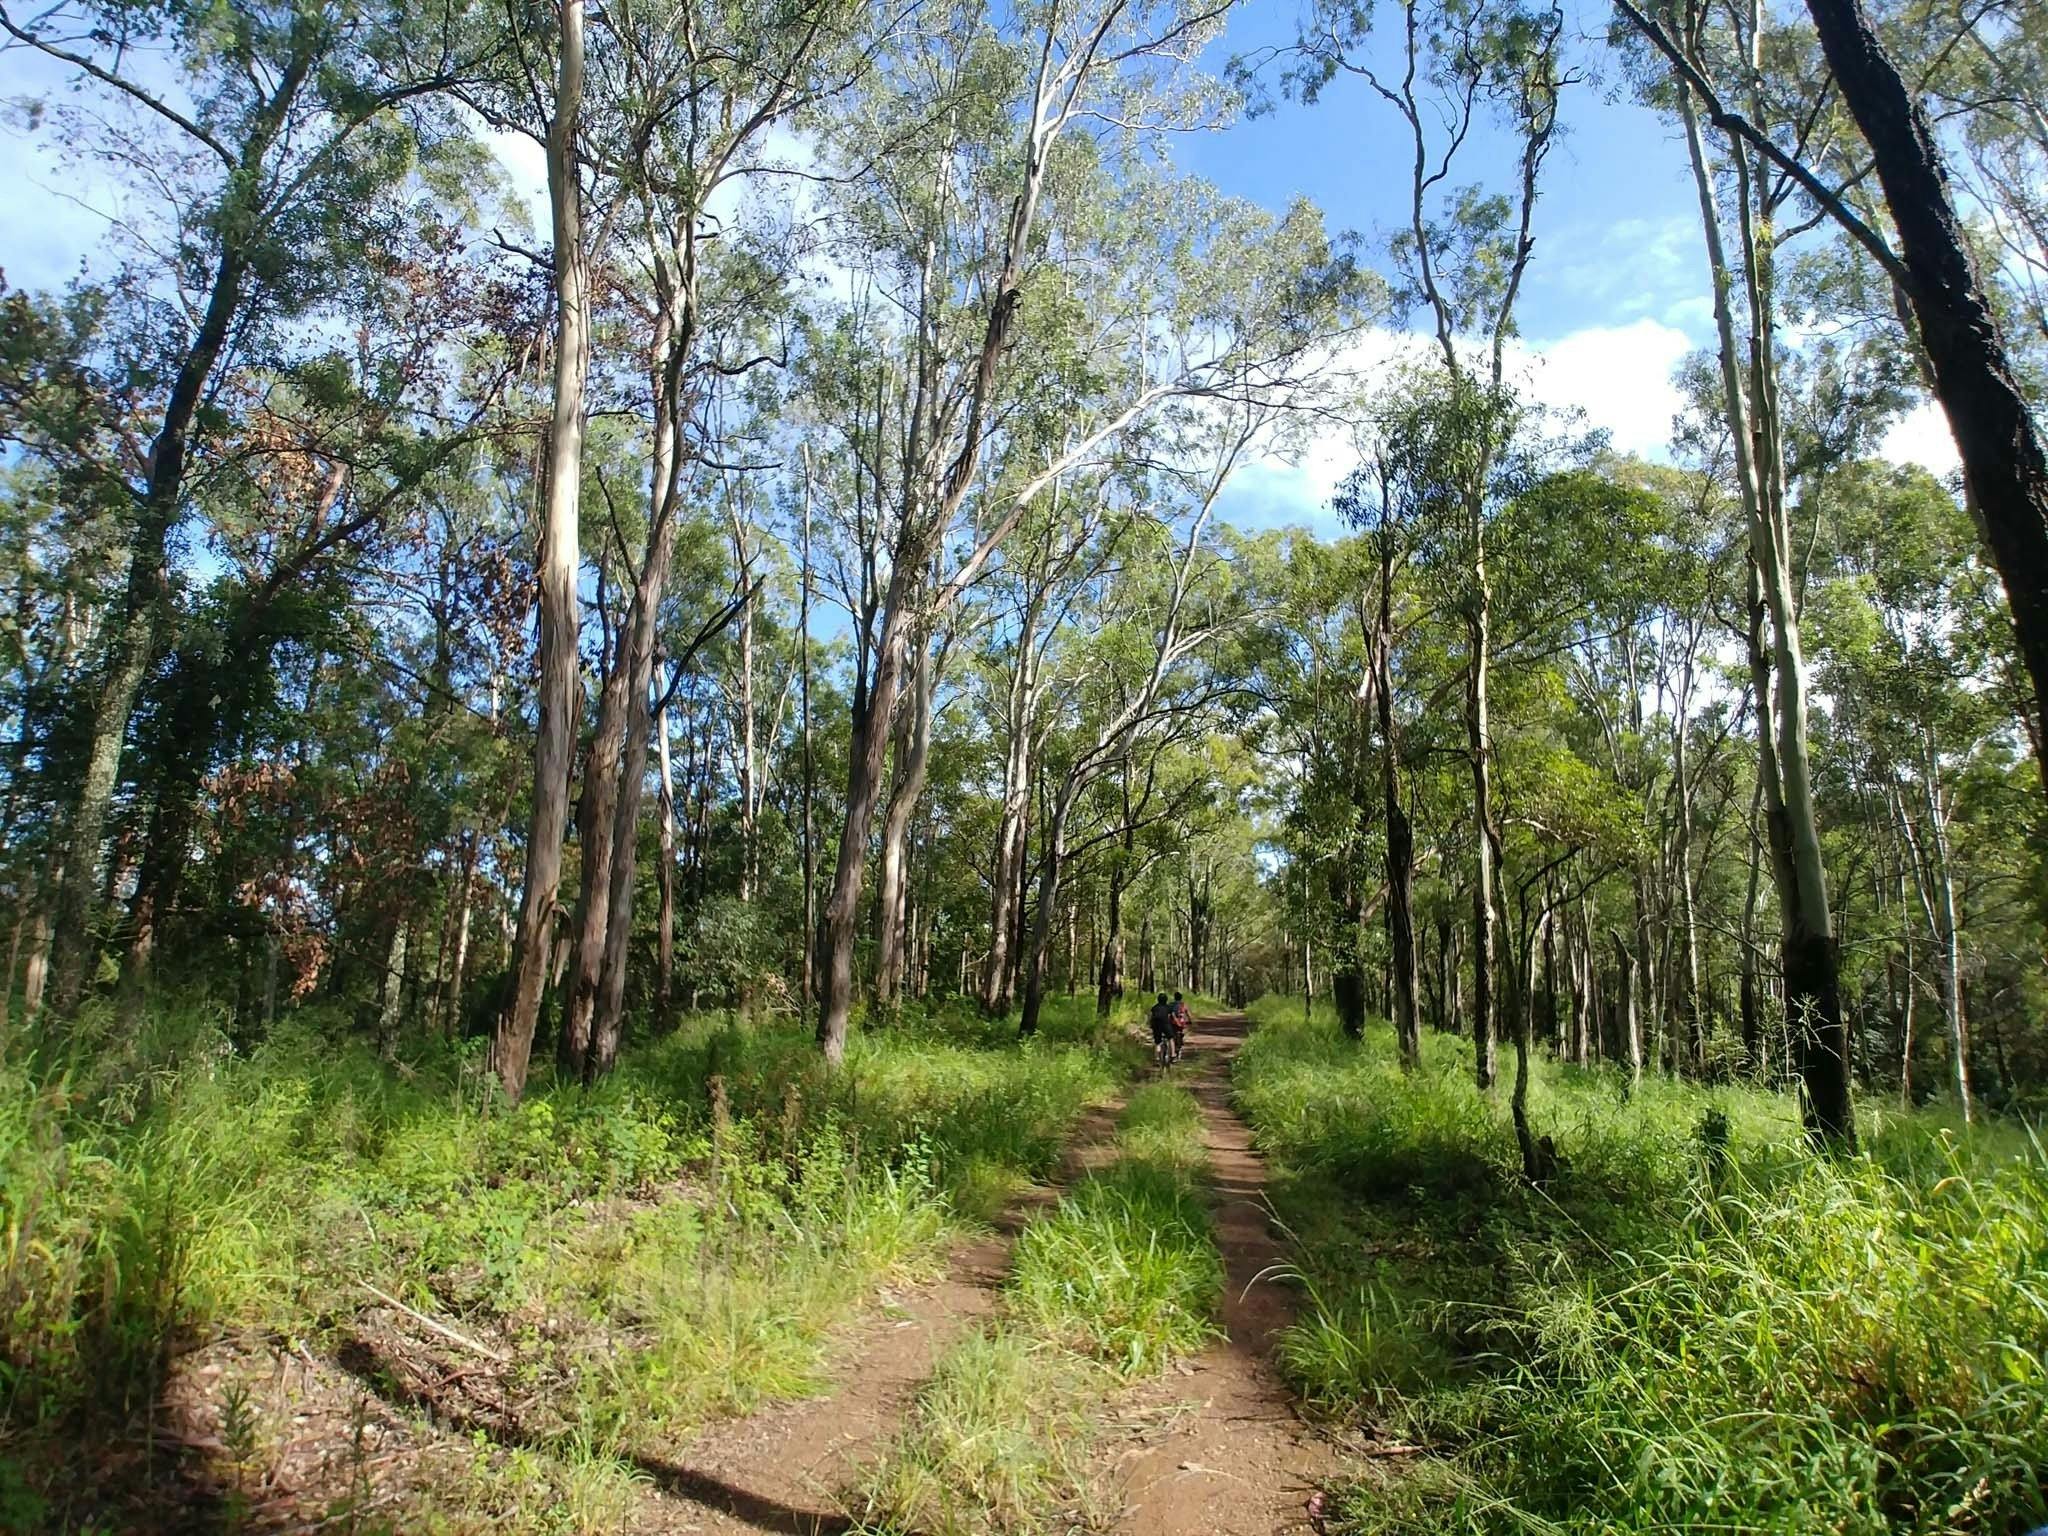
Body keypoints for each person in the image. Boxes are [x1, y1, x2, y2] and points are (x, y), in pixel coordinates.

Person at [1147, 993, 1176, 1066]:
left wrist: (1150, 1025)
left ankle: (1157, 1058)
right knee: (1171, 1038)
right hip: (1165, 1024)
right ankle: (1173, 1054)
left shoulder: (1154, 1007)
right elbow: (1172, 1017)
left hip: (1156, 1025)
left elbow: (1151, 1017)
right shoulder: (1168, 1007)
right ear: (1166, 1000)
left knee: (1157, 1042)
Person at [1171, 991, 1191, 1059]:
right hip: (1181, 1023)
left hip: (1173, 1022)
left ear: (1174, 998)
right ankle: (1180, 1044)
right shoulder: (1183, 1004)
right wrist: (1190, 1020)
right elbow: (1188, 1013)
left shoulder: (1171, 1004)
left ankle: (1173, 1049)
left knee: (1173, 1035)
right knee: (1182, 1033)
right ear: (1181, 998)